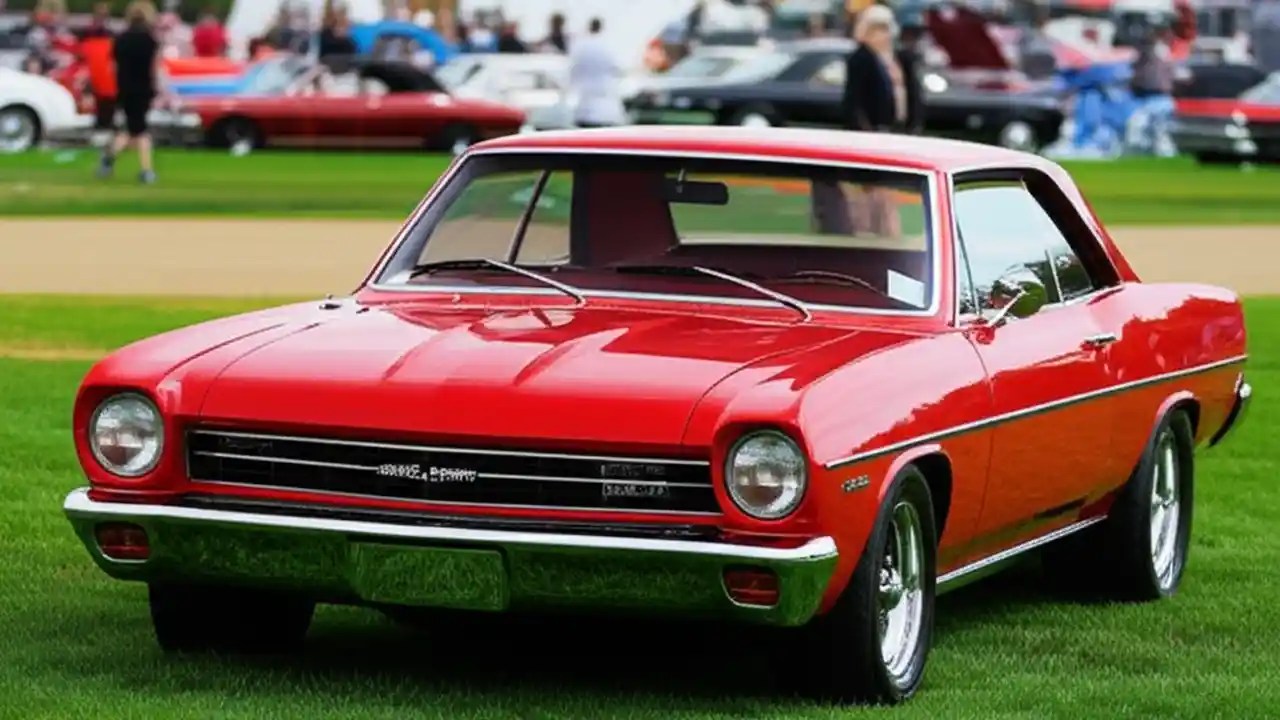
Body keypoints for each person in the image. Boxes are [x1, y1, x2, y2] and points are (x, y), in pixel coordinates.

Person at [98, 1, 163, 185]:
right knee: (140, 130)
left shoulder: (121, 39)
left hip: (125, 88)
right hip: (143, 88)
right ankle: (146, 170)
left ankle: (108, 157)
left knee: (133, 129)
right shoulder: (151, 41)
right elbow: (154, 67)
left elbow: (114, 65)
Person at [841, 5, 922, 134]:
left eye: (885, 28)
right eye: (876, 29)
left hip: (901, 126)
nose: (882, 34)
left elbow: (914, 91)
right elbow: (854, 101)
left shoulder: (901, 57)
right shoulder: (861, 58)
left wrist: (914, 124)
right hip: (875, 129)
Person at [569, 18, 625, 128]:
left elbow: (573, 70)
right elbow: (617, 69)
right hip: (606, 101)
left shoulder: (580, 45)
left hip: (584, 100)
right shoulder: (608, 45)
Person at [78, 3, 117, 146]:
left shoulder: (109, 34)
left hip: (102, 71)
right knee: (99, 101)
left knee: (105, 101)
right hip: (94, 70)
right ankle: (100, 131)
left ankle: (104, 131)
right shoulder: (88, 33)